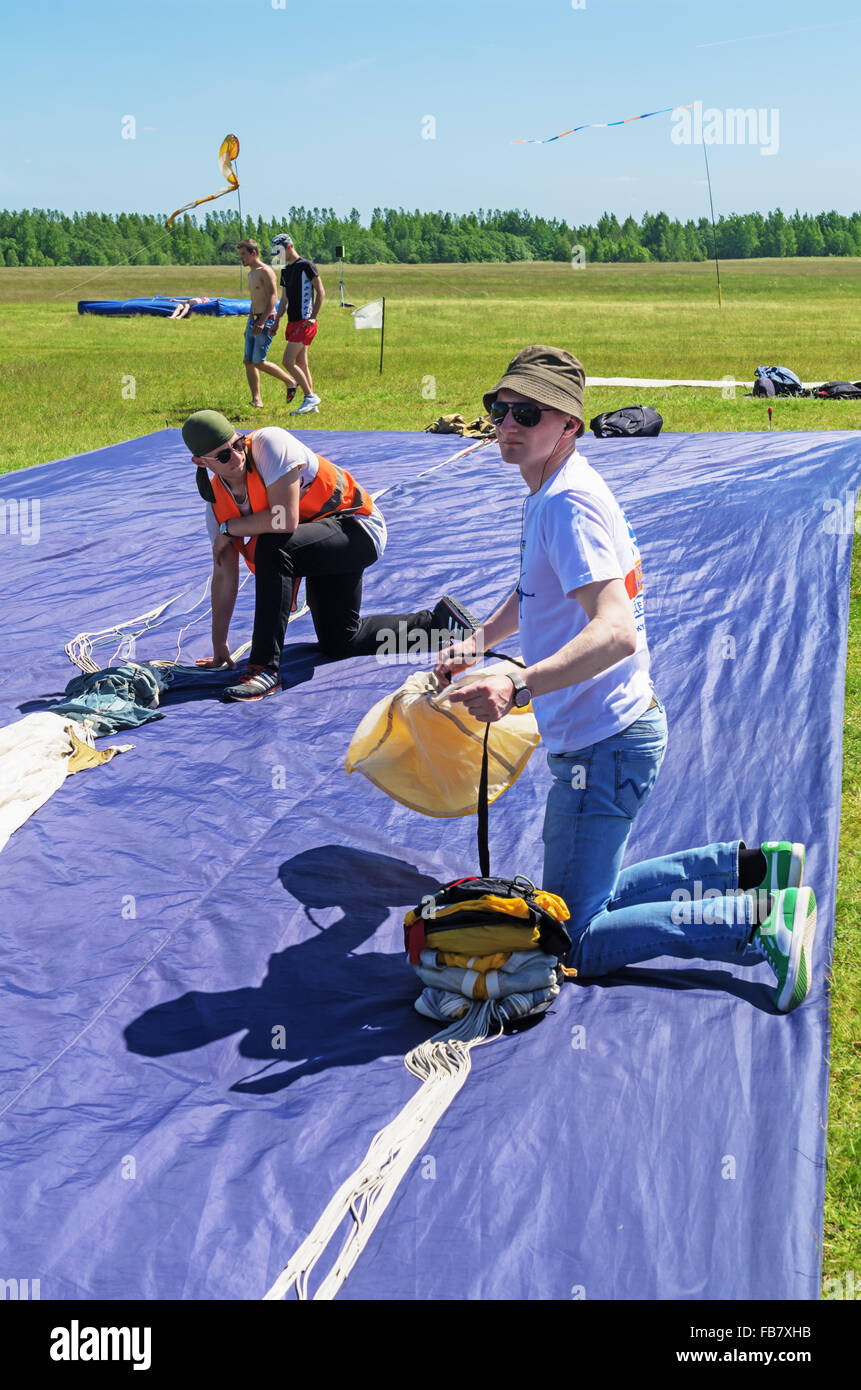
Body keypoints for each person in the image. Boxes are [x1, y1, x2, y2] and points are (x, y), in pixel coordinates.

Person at [434, 345, 817, 1013]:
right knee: (591, 891)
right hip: (612, 732)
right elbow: (535, 590)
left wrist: (515, 686)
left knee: (569, 939)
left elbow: (614, 632)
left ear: (570, 424)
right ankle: (754, 870)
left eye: (529, 412)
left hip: (601, 744)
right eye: (500, 408)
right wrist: (481, 642)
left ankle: (757, 923)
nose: (508, 424)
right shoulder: (551, 490)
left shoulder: (565, 504)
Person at [182, 409, 467, 701]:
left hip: (357, 528)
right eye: (225, 456)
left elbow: (284, 520)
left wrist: (231, 528)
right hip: (319, 548)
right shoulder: (216, 506)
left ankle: (263, 668)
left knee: (272, 546)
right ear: (201, 462)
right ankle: (440, 624)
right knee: (340, 642)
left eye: (238, 444)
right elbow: (225, 573)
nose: (237, 455)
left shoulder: (270, 444)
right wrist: (219, 645)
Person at [236, 240, 298, 409]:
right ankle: (257, 399)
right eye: (240, 255)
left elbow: (272, 298)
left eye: (243, 254)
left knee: (258, 361)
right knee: (248, 360)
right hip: (253, 320)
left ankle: (290, 381)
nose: (241, 258)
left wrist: (262, 322)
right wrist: (249, 323)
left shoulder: (266, 272)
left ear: (253, 253)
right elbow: (254, 300)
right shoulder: (251, 273)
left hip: (266, 319)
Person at [270, 233, 324, 415]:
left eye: (279, 251)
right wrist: (277, 321)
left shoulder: (306, 266)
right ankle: (311, 404)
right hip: (292, 321)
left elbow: (321, 292)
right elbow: (284, 300)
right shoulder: (285, 271)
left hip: (306, 321)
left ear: (289, 247)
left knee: (287, 360)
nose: (278, 256)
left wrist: (314, 317)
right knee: (301, 362)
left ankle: (310, 396)